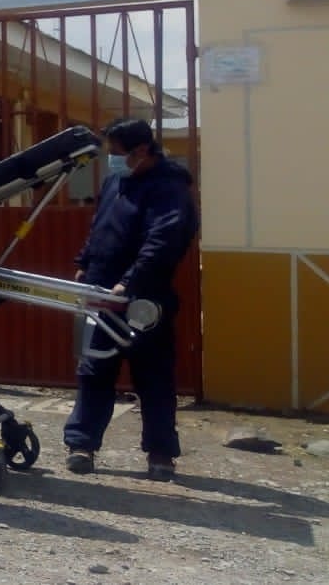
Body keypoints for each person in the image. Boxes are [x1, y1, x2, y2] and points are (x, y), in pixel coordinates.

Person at [63, 117, 198, 482]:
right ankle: (82, 444)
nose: (112, 160)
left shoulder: (169, 189)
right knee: (94, 369)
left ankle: (160, 453)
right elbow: (101, 227)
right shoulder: (116, 182)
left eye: (117, 153)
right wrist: (84, 263)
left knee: (153, 375)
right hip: (102, 293)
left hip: (143, 299)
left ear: (141, 151)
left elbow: (162, 243)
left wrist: (130, 282)